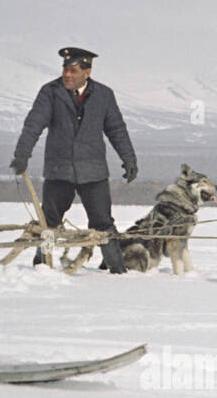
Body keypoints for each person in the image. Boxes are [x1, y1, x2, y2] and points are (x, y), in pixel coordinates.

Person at [10, 46, 138, 273]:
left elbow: (116, 129)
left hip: (93, 171)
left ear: (87, 72)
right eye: (65, 70)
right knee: (49, 222)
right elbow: (33, 125)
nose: (67, 75)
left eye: (73, 70)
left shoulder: (104, 95)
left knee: (103, 222)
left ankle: (116, 269)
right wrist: (22, 155)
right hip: (59, 170)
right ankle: (42, 265)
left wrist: (129, 159)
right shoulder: (50, 92)